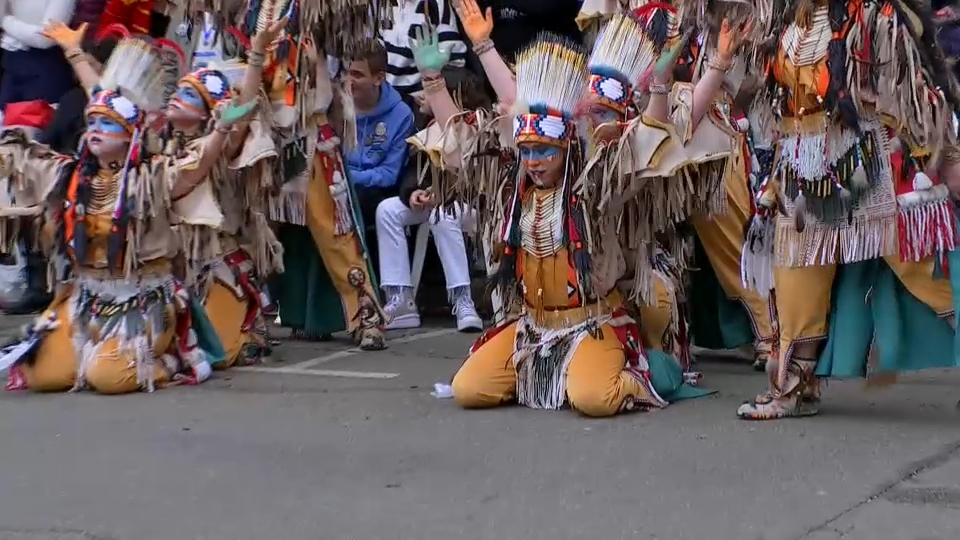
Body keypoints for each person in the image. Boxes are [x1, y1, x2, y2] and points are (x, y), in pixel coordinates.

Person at [411, 1, 737, 416]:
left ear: (565, 147)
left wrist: (687, 76)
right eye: (527, 151)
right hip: (534, 327)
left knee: (594, 398)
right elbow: (467, 144)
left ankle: (647, 369)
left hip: (593, 320)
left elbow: (654, 142)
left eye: (545, 151)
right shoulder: (512, 184)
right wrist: (436, 78)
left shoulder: (599, 188)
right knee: (468, 390)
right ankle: (550, 373)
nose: (535, 161)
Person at [725, 0, 960, 419]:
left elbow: (911, 91)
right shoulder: (783, 21)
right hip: (802, 162)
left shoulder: (875, 16)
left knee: (922, 268)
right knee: (795, 273)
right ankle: (793, 387)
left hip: (866, 159)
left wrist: (938, 156)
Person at [0, 36, 257, 394]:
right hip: (88, 299)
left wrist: (223, 127)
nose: (94, 132)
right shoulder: (71, 176)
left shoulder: (151, 179)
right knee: (44, 376)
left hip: (145, 299)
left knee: (109, 378)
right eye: (92, 124)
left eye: (106, 125)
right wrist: (75, 54)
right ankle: (92, 349)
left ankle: (174, 357)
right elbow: (24, 158)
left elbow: (195, 168)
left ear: (130, 136)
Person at [233, 1, 389, 350]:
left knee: (335, 231)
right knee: (258, 232)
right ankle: (246, 318)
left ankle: (364, 315)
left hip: (311, 134)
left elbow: (347, 34)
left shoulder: (316, 9)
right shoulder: (252, 9)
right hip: (264, 137)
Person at [376, 66, 487, 332]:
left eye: (431, 90)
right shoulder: (425, 125)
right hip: (437, 204)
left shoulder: (478, 126)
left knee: (443, 214)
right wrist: (414, 192)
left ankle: (463, 300)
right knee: (387, 210)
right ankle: (400, 299)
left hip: (473, 207)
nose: (420, 97)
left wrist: (446, 195)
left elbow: (480, 180)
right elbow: (414, 170)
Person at [343, 40, 416, 227]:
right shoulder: (335, 104)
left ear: (379, 78)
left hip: (371, 193)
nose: (349, 82)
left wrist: (347, 177)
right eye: (347, 73)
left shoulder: (401, 115)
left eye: (357, 75)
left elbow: (389, 173)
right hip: (335, 185)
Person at [0, 0, 79, 119]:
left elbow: (46, 38)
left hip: (44, 67)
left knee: (33, 130)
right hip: (10, 63)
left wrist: (4, 21)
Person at [383, 0, 468, 97]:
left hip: (418, 102)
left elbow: (454, 64)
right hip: (381, 99)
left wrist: (433, 96)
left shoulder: (436, 5)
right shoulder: (380, 5)